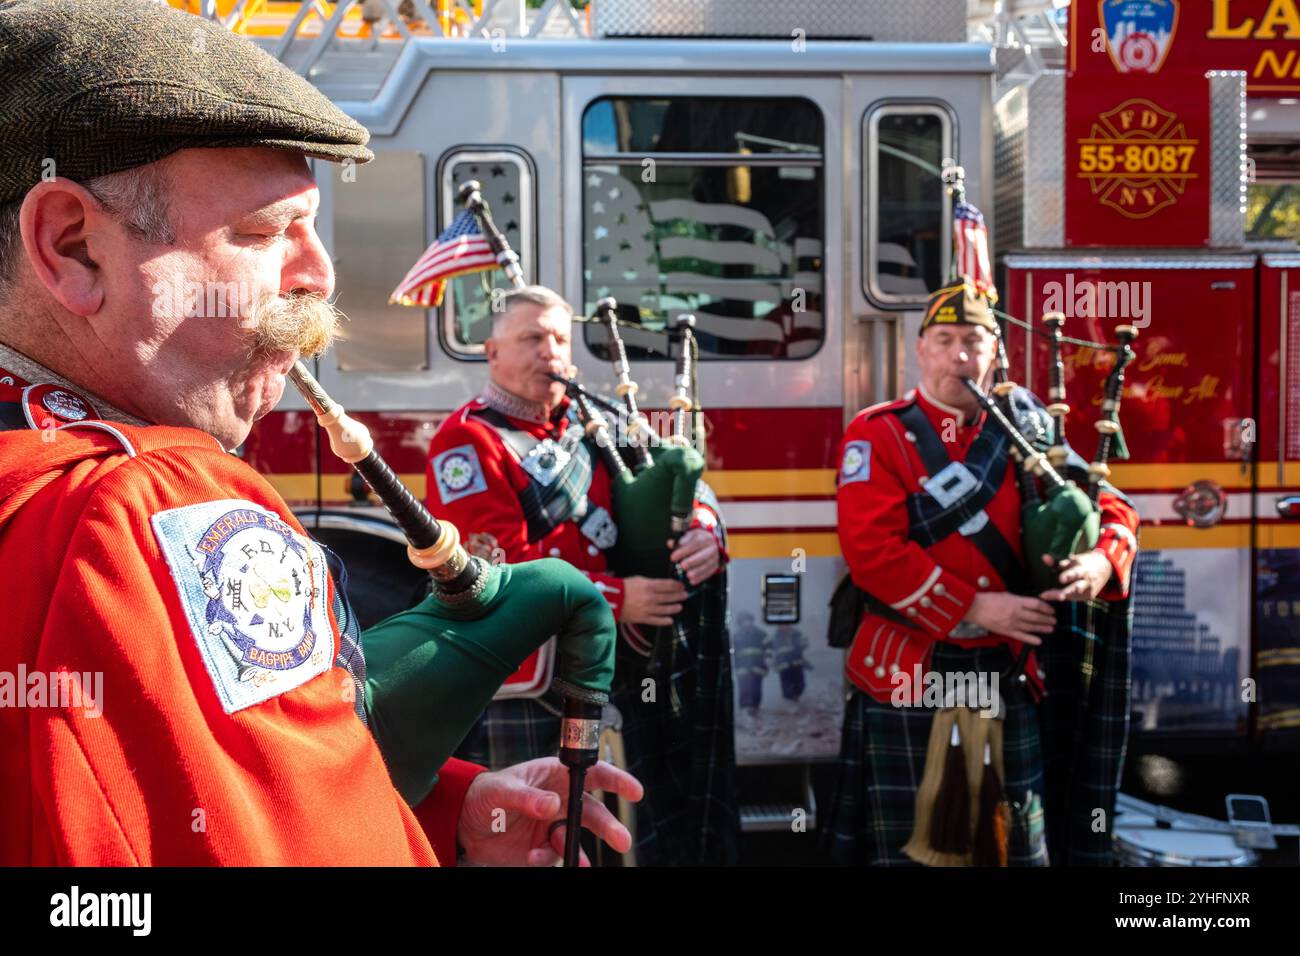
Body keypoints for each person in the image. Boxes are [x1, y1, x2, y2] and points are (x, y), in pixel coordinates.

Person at [0, 0, 640, 866]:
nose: (318, 274)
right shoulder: (144, 501)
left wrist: (440, 805)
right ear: (72, 246)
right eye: (264, 231)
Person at [822, 281, 1140, 867]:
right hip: (908, 668)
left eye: (973, 340)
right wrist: (974, 606)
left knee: (1011, 847)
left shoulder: (1031, 428)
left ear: (996, 352)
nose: (959, 355)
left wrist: (1102, 559)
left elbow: (1111, 508)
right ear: (920, 350)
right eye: (944, 340)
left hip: (1006, 668)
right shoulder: (879, 433)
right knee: (906, 853)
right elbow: (871, 552)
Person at [427, 285, 738, 864]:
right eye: (531, 338)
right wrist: (620, 599)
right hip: (531, 677)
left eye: (560, 339)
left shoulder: (601, 421)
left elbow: (682, 479)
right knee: (533, 839)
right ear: (492, 352)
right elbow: (498, 573)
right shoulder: (466, 442)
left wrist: (704, 530)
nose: (550, 352)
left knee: (618, 837)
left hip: (613, 669)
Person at [732, 611, 771, 718]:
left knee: (756, 688)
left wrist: (768, 658)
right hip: (742, 669)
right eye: (744, 621)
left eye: (748, 620)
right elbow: (733, 653)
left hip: (757, 668)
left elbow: (769, 647)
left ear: (752, 621)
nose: (747, 623)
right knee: (743, 688)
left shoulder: (761, 634)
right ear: (740, 623)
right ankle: (744, 709)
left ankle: (755, 707)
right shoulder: (736, 636)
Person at [771, 624, 810, 704]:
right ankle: (789, 702)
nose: (785, 626)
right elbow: (772, 651)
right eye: (782, 625)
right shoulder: (775, 636)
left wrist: (804, 643)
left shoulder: (797, 633)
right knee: (787, 685)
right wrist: (773, 663)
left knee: (800, 684)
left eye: (787, 624)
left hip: (796, 663)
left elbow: (804, 644)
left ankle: (796, 697)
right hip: (783, 665)